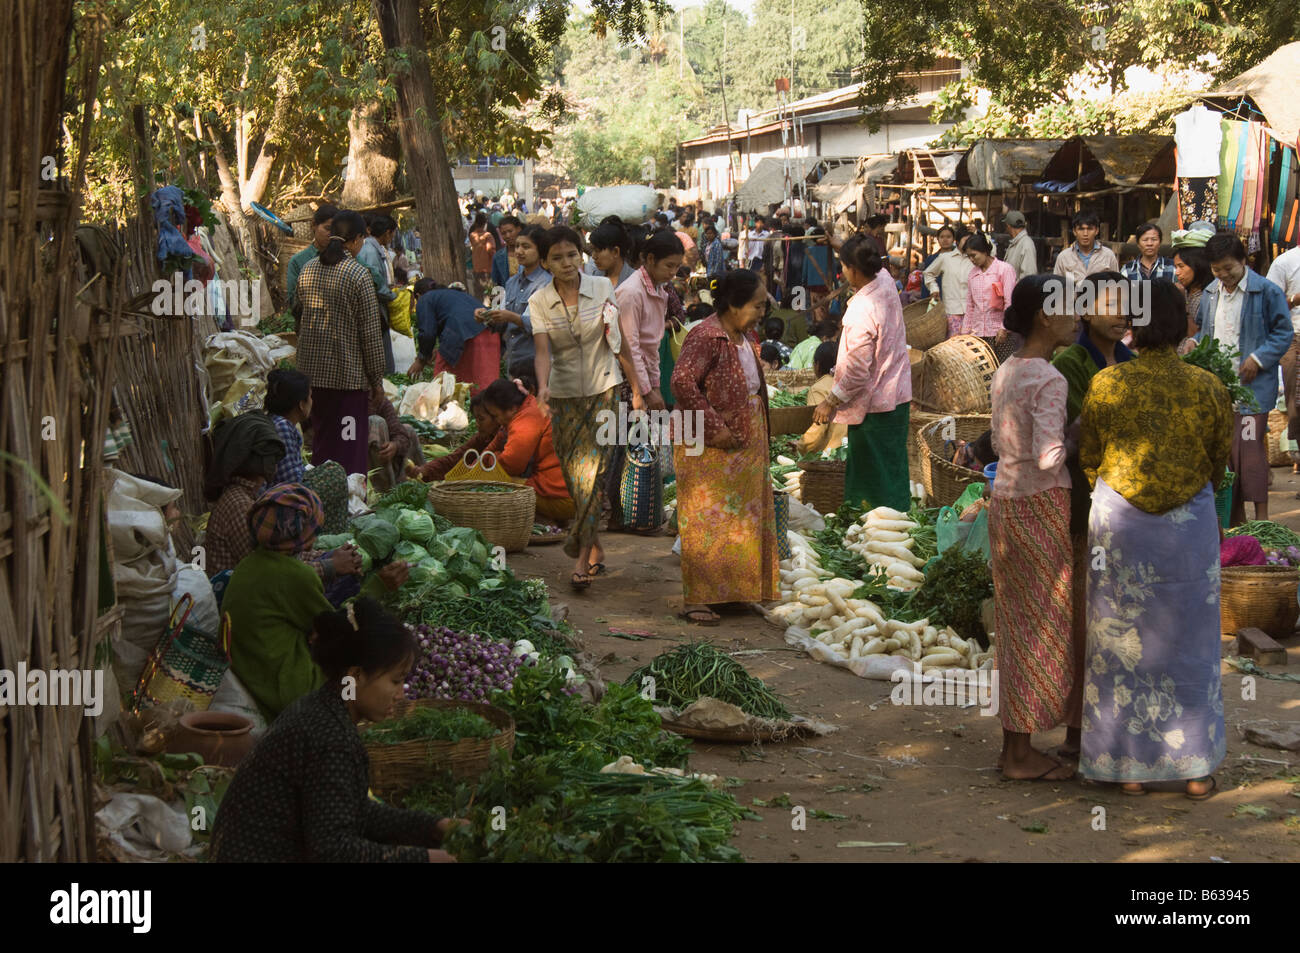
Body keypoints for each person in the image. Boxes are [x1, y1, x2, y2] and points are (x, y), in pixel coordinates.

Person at [1078, 279, 1231, 799]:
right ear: (1184, 323)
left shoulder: (1107, 385)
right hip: (1186, 527)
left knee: (1119, 640)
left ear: (1136, 325)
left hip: (1120, 525)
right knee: (1190, 641)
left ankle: (1128, 769)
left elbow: (1089, 456)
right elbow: (1218, 463)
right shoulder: (1209, 386)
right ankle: (1193, 769)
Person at [210, 597, 457, 862]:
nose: (400, 694)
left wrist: (434, 826)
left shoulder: (321, 708)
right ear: (355, 676)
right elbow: (333, 852)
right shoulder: (330, 739)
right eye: (395, 680)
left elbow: (352, 810)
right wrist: (428, 859)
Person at [988, 274, 1079, 781]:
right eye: (1068, 308)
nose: (1076, 317)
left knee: (1016, 630)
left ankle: (1014, 747)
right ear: (1045, 316)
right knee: (1043, 628)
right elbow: (1048, 456)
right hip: (1041, 506)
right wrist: (1079, 435)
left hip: (1006, 502)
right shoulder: (1050, 378)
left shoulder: (1007, 370)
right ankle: (1021, 756)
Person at [220, 485, 407, 722]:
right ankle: (348, 724)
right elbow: (344, 632)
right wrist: (380, 585)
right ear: (306, 535)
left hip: (253, 673)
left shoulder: (247, 566)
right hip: (285, 692)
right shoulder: (295, 575)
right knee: (360, 660)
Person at [1049, 272, 1135, 763]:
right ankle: (1078, 732)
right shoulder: (1070, 362)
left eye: (1127, 303)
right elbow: (1058, 440)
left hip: (1124, 510)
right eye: (1110, 302)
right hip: (1082, 508)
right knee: (1083, 620)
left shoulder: (1129, 361)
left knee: (1118, 621)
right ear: (1084, 310)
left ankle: (1117, 728)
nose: (1121, 312)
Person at [530, 225, 641, 589]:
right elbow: (543, 351)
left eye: (573, 255)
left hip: (604, 388)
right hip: (562, 398)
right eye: (557, 258)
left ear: (581, 256)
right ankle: (594, 544)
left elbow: (617, 341)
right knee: (576, 479)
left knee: (594, 475)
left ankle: (580, 558)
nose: (567, 263)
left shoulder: (602, 288)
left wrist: (637, 388)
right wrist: (543, 387)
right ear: (545, 262)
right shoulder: (539, 302)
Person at [670, 268, 779, 625]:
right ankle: (697, 599)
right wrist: (714, 426)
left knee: (740, 519)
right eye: (757, 306)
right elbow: (682, 383)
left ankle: (733, 593)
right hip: (709, 444)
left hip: (746, 440)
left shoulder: (742, 336)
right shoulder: (705, 336)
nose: (763, 312)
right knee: (707, 518)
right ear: (733, 304)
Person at [1193, 234, 1293, 524]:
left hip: (1253, 391)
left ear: (1243, 261)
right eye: (1216, 269)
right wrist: (1195, 344)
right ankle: (1235, 520)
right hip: (1220, 387)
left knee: (1250, 453)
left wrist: (1258, 358)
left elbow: (1283, 333)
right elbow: (1205, 333)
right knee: (1225, 455)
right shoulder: (1212, 292)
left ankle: (1261, 520)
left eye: (1228, 268)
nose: (1223, 275)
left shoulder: (1266, 291)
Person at [811, 234, 912, 512]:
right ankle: (898, 520)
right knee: (892, 468)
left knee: (871, 477)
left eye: (844, 267)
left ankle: (867, 525)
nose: (842, 272)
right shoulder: (886, 281)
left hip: (874, 405)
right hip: (897, 397)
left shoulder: (861, 312)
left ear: (854, 270)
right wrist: (838, 245)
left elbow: (856, 372)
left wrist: (829, 401)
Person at [296, 209, 387, 476]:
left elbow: (299, 315)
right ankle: (350, 506)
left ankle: (322, 502)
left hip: (313, 382)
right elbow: (370, 335)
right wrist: (376, 380)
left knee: (323, 444)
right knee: (349, 445)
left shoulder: (308, 269)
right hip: (347, 385)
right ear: (357, 239)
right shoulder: (358, 275)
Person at [607, 229, 684, 532]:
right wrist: (643, 391)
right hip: (627, 380)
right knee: (622, 446)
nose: (674, 272)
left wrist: (654, 386)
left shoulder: (660, 290)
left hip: (646, 377)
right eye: (669, 265)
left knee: (637, 445)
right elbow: (629, 346)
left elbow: (649, 347)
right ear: (650, 259)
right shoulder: (631, 292)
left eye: (677, 266)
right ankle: (619, 513)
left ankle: (636, 512)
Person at [478, 378, 575, 522]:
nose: (496, 421)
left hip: (566, 500)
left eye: (496, 416)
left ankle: (546, 518)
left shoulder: (526, 419)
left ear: (511, 409)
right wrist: (484, 456)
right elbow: (496, 441)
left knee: (494, 482)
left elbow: (510, 465)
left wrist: (492, 457)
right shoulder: (529, 404)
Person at [480, 224, 550, 370]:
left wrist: (511, 317)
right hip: (514, 358)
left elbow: (540, 325)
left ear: (540, 250)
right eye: (517, 246)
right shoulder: (511, 282)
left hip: (536, 361)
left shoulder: (546, 283)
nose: (519, 251)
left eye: (526, 247)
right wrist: (486, 316)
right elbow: (502, 321)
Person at [409, 282, 501, 392]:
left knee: (442, 384)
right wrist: (434, 351)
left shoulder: (425, 299)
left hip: (464, 333)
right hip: (490, 334)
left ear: (418, 296)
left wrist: (421, 359)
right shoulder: (454, 295)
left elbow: (427, 333)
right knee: (484, 385)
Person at [410, 394, 502, 482]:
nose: (477, 424)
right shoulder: (482, 438)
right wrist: (426, 470)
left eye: (481, 419)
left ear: (497, 417)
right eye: (476, 419)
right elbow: (457, 458)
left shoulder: (508, 439)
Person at [1266, 243, 1300, 468]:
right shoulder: (1285, 262)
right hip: (1294, 336)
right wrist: (1294, 300)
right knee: (1296, 405)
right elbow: (1269, 307)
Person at [964, 233, 1020, 362]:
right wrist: (966, 332)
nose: (972, 260)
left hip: (1000, 333)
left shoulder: (1004, 270)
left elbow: (1010, 302)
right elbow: (970, 306)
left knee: (1003, 371)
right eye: (969, 257)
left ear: (984, 251)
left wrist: (1004, 328)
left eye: (974, 255)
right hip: (978, 334)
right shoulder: (973, 274)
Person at [358, 214, 398, 374]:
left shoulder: (371, 247)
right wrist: (393, 296)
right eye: (393, 233)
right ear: (387, 233)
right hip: (374, 309)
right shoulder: (371, 251)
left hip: (374, 306)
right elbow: (375, 284)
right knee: (380, 349)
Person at [796, 340, 848, 455]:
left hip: (831, 453)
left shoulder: (818, 388)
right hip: (848, 449)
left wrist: (801, 446)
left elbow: (819, 427)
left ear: (817, 365)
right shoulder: (846, 384)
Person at [286, 205, 337, 314]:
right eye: (327, 228)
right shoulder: (298, 261)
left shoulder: (344, 257)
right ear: (314, 225)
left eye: (335, 231)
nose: (331, 235)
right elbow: (292, 301)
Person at [368, 390, 423, 492]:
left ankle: (422, 478)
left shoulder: (379, 401)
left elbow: (400, 433)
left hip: (384, 461)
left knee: (408, 430)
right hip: (363, 467)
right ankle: (385, 492)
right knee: (375, 422)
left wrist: (395, 446)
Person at [266, 368, 313, 486]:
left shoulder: (276, 421)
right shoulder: (283, 428)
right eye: (310, 396)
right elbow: (291, 482)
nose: (312, 401)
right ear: (301, 404)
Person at [923, 229, 973, 337]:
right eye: (966, 240)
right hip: (951, 310)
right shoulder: (945, 258)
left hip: (971, 311)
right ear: (958, 242)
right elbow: (928, 273)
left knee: (970, 346)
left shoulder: (974, 259)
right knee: (952, 347)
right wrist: (934, 288)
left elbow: (991, 253)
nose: (969, 244)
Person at [1053, 209, 1119, 283]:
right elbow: (1056, 288)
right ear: (1074, 231)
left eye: (1090, 229)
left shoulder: (1108, 256)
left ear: (1097, 230)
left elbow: (1117, 287)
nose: (1085, 234)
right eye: (1081, 229)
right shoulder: (1063, 258)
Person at [1173, 243, 1213, 339]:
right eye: (1176, 267)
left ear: (1197, 265)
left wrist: (1183, 303)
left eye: (1181, 266)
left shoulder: (1208, 297)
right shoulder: (1186, 292)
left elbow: (1196, 336)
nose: (1177, 272)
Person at [586, 217, 639, 287]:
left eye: (597, 250)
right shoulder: (595, 276)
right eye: (592, 250)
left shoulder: (635, 282)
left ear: (615, 252)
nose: (593, 256)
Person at [468, 211, 497, 296]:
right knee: (489, 292)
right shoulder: (488, 236)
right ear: (485, 223)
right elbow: (490, 249)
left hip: (476, 266)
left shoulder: (472, 235)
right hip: (487, 267)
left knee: (478, 291)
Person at [1002, 210, 1038, 280]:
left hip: (1019, 290)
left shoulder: (1026, 244)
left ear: (1008, 226)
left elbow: (1029, 276)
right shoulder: (1016, 243)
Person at [491, 214, 522, 290]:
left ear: (518, 229)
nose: (508, 236)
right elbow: (496, 284)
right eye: (504, 233)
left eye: (510, 231)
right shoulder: (498, 257)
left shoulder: (530, 253)